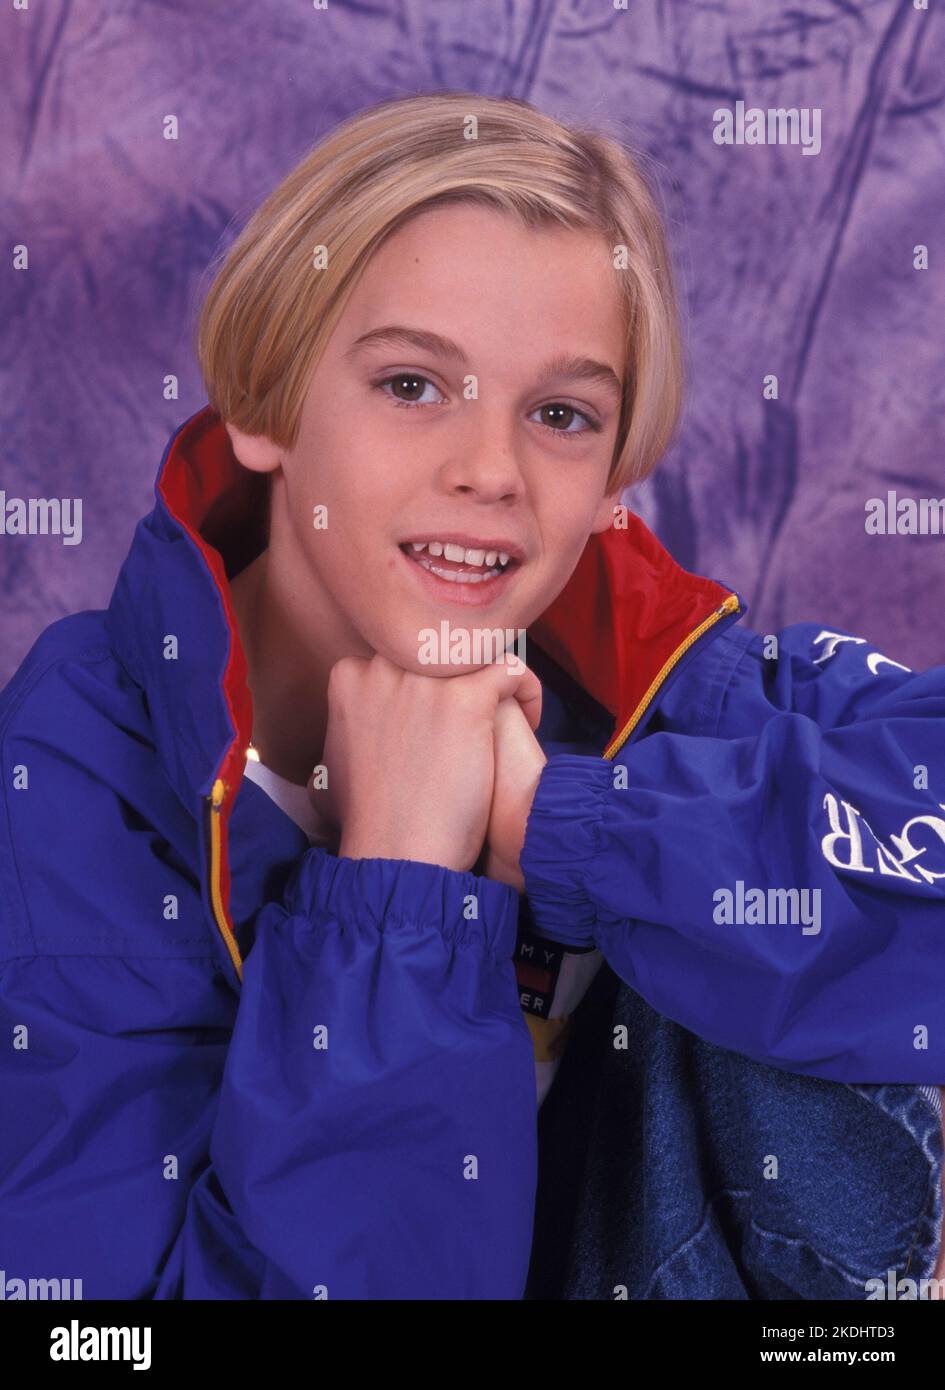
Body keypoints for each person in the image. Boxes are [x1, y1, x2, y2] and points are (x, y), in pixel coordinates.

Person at [0, 92, 942, 1301]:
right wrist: (393, 891)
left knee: (790, 929)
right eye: (411, 384)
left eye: (559, 414)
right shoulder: (75, 771)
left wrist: (572, 828)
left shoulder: (642, 677)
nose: (489, 470)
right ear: (267, 405)